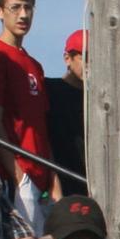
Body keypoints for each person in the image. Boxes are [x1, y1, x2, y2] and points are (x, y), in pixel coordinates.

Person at [0, 0, 59, 239]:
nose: (24, 15)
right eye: (15, 7)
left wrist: (54, 179)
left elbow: (41, 128)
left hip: (42, 176)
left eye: (28, 7)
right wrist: (17, 174)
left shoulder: (34, 64)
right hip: (16, 174)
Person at [45, 30, 85, 191]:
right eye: (85, 58)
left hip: (91, 185)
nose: (91, 65)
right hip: (58, 181)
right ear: (67, 59)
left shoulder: (103, 102)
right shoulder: (48, 89)